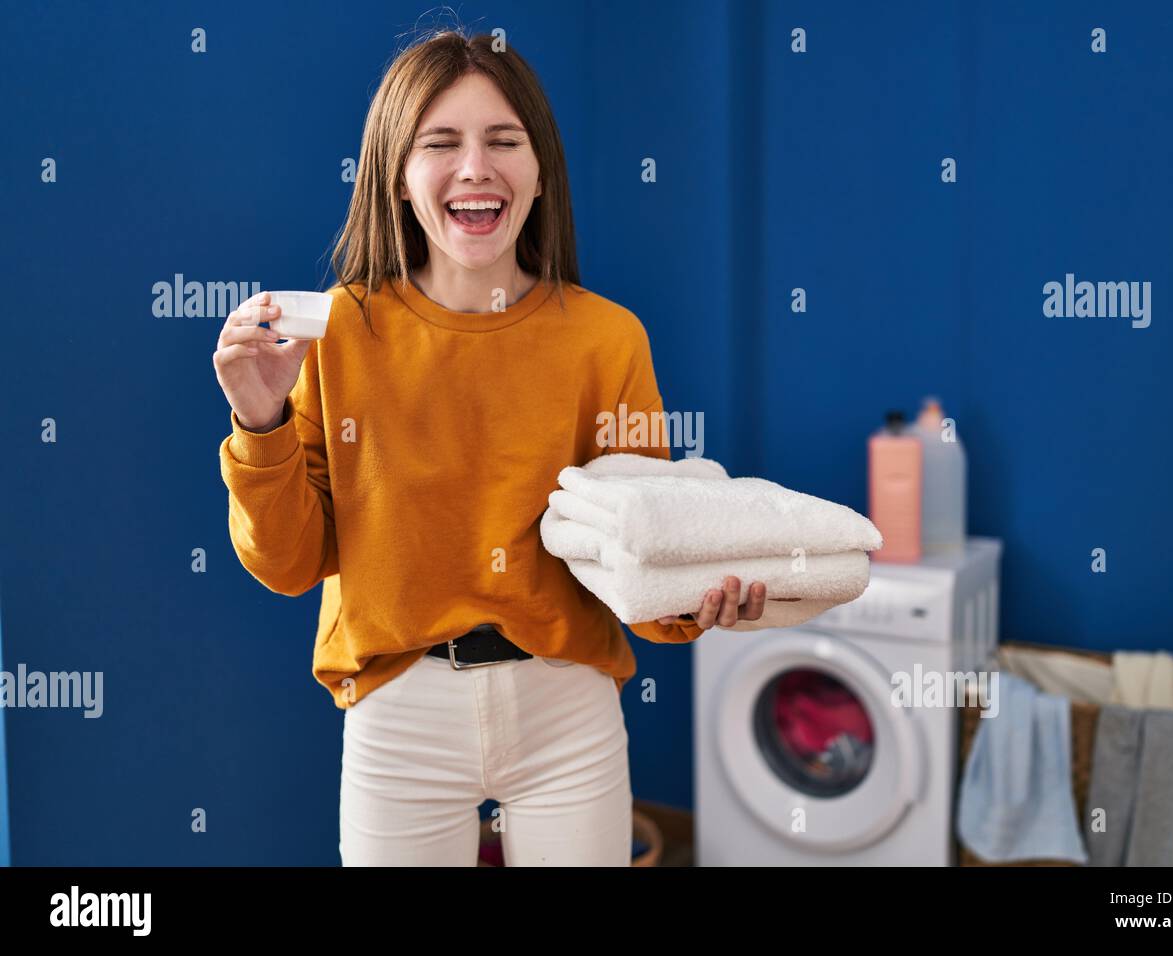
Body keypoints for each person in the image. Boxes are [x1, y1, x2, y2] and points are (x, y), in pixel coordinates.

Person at [212, 28, 774, 866]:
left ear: (541, 170)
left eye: (503, 141)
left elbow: (638, 556)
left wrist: (696, 600)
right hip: (397, 714)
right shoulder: (337, 332)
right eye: (440, 144)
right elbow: (291, 565)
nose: (475, 167)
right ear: (397, 179)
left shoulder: (606, 340)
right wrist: (261, 426)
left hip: (566, 710)